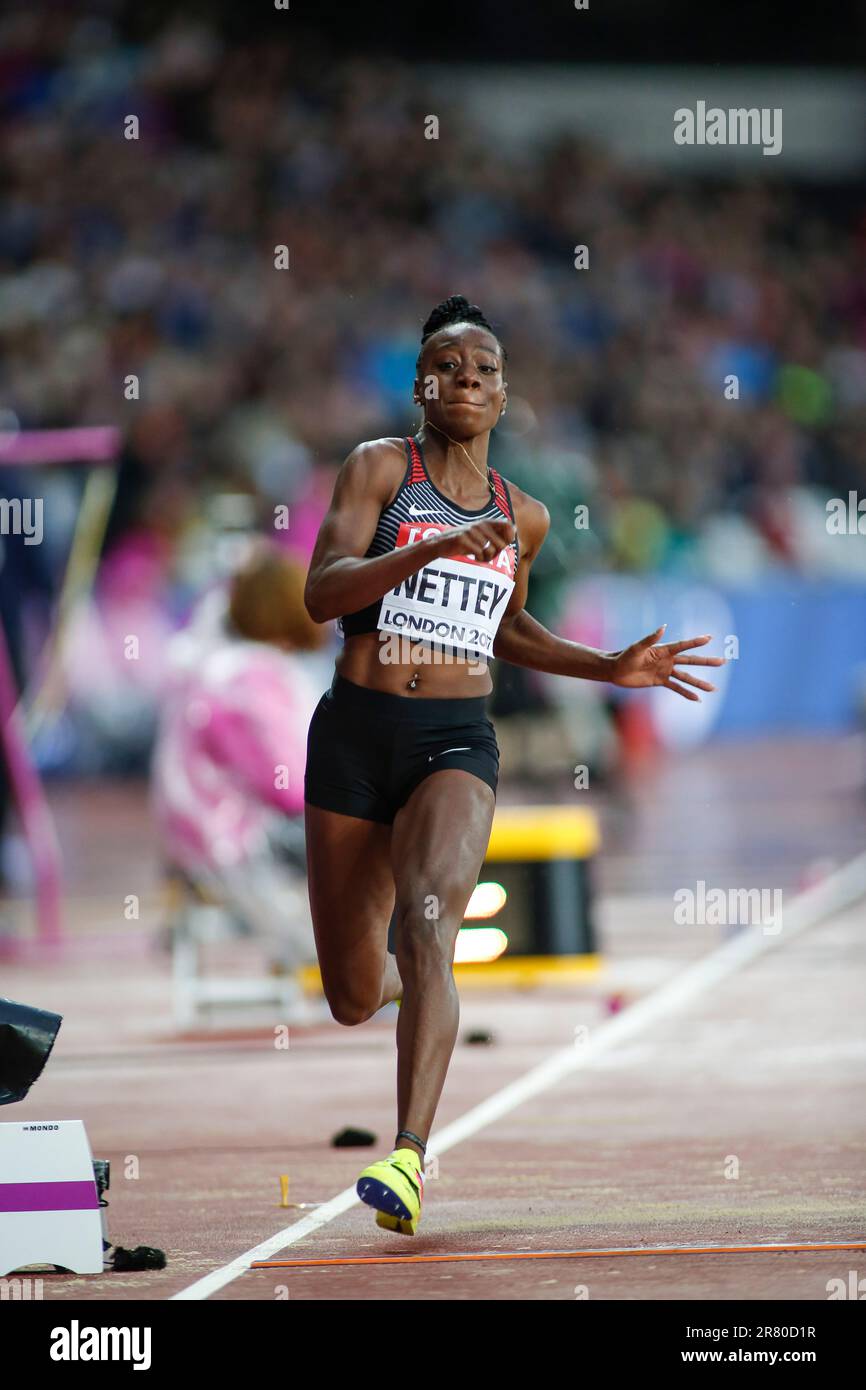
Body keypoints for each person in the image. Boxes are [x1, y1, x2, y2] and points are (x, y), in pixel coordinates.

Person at [303, 294, 725, 1235]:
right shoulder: (380, 469)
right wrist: (429, 552)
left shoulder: (520, 515)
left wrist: (607, 667)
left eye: (484, 369)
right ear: (421, 385)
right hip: (353, 735)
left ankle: (409, 1157)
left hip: (455, 739)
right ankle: (418, 986)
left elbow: (509, 628)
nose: (467, 380)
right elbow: (320, 594)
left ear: (504, 395)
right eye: (449, 365)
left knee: (428, 926)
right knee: (351, 993)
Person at [152, 541, 327, 978]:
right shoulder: (254, 680)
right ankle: (362, 966)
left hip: (191, 836)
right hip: (232, 843)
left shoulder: (211, 666)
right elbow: (288, 787)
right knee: (365, 835)